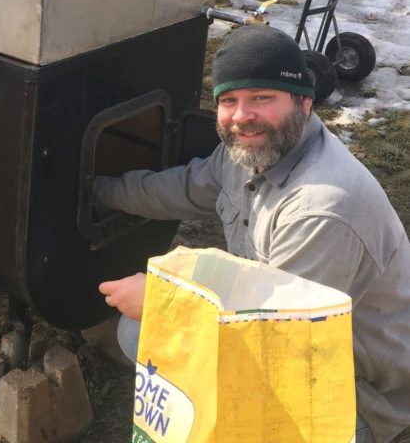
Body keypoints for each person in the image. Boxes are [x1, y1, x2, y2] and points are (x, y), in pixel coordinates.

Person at [94, 24, 410, 443]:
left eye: (262, 97)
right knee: (135, 333)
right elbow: (184, 188)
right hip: (292, 344)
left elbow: (275, 349)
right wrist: (99, 192)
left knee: (154, 330)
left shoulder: (322, 208)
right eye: (229, 100)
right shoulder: (250, 151)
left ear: (304, 102)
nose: (242, 116)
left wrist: (162, 304)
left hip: (357, 395)